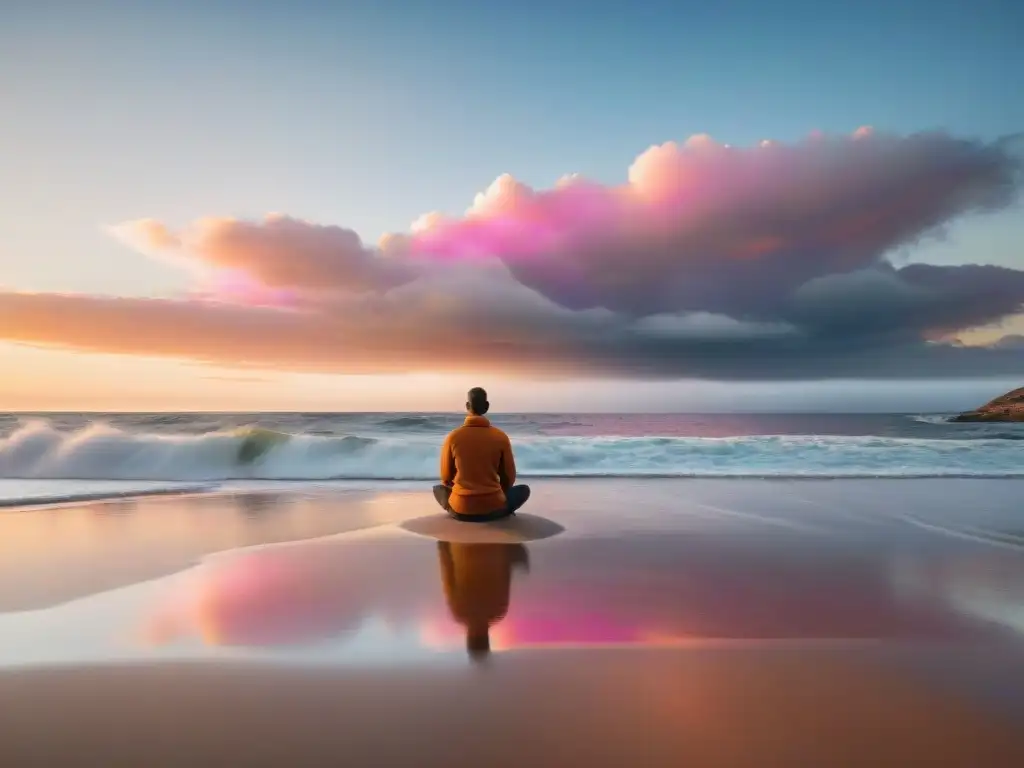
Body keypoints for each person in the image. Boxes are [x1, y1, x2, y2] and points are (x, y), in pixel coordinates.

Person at [433, 387, 531, 522]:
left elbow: (446, 478)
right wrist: (495, 493)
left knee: (438, 489)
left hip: (460, 510)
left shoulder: (453, 437)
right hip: (494, 508)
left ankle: (460, 507)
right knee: (524, 490)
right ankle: (499, 509)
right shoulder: (500, 437)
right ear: (486, 406)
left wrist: (462, 492)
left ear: (467, 406)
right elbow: (509, 478)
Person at [436, 541, 530, 662]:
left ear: (487, 638)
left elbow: (506, 568)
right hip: (461, 542)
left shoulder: (499, 610)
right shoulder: (459, 612)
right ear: (469, 638)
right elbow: (447, 567)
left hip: (493, 543)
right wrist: (442, 542)